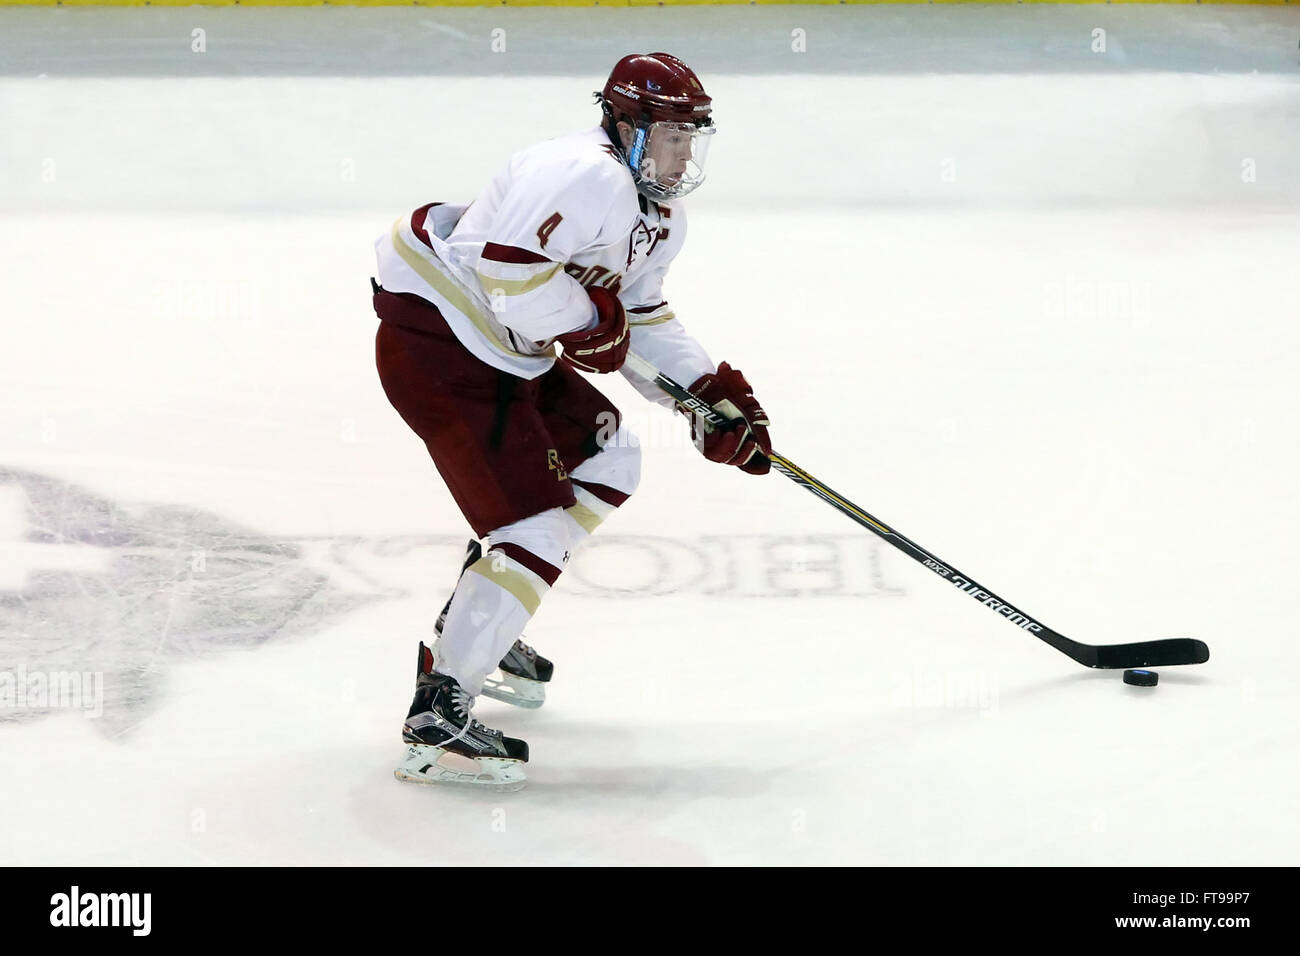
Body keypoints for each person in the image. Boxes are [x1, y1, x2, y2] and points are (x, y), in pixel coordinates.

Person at [371, 52, 772, 791]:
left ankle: (477, 630)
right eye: (670, 137)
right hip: (441, 344)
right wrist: (589, 322)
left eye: (693, 139)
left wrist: (707, 395)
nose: (683, 157)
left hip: (501, 349)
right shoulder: (583, 174)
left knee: (610, 455)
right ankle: (440, 714)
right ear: (624, 124)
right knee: (531, 528)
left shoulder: (658, 216)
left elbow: (639, 314)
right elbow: (509, 275)